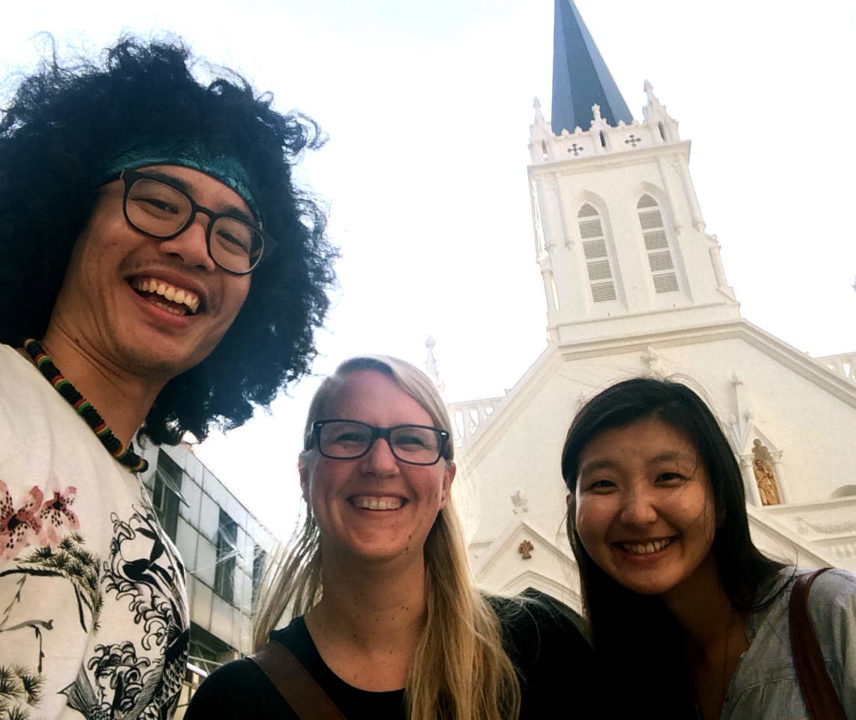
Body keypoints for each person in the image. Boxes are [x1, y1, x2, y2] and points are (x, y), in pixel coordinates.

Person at [0, 38, 334, 719]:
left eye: (233, 238)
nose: (191, 247)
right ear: (69, 215)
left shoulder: (166, 571)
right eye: (157, 201)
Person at [187, 356, 606, 719]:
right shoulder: (233, 704)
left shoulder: (544, 650)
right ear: (305, 475)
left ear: (446, 483)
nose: (381, 463)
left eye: (410, 440)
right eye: (349, 435)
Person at [561, 377, 856, 719]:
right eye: (603, 484)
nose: (638, 514)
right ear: (573, 508)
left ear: (721, 497)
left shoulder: (833, 613)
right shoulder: (606, 677)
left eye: (668, 477)